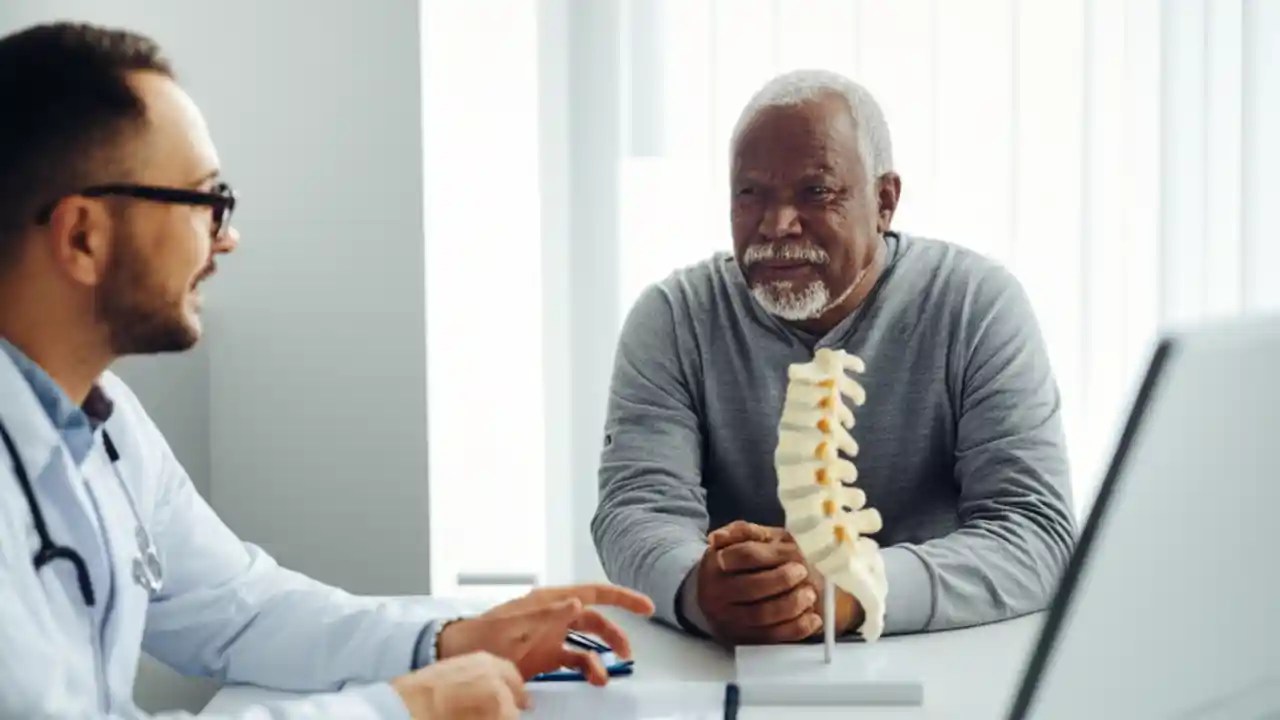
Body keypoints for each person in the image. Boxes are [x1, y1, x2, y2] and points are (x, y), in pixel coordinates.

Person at [0, 21, 653, 719]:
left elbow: (240, 610)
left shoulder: (106, 423)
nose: (228, 238)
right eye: (206, 201)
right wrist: (400, 709)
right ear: (82, 236)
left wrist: (447, 640)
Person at [592, 69, 1077, 646]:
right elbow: (635, 512)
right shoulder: (674, 318)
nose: (777, 226)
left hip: (943, 664)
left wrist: (855, 589)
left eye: (816, 192)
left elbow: (1037, 533)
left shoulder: (977, 305)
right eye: (751, 195)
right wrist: (698, 588)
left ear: (885, 201)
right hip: (732, 673)